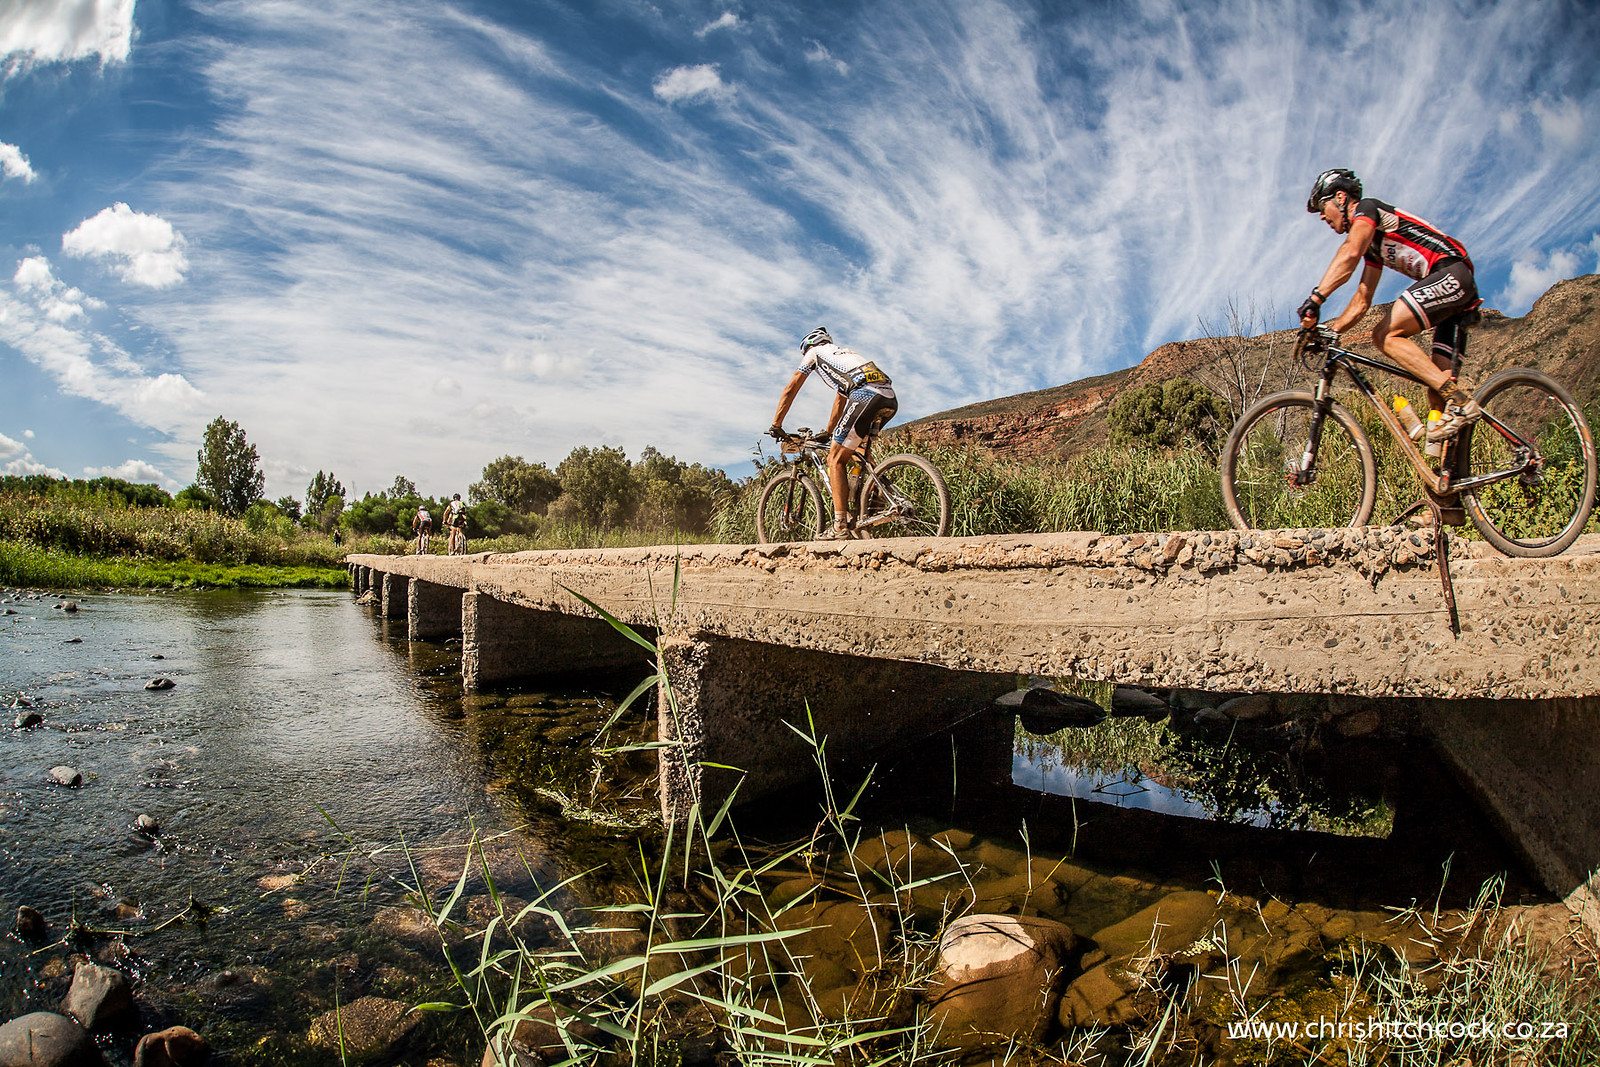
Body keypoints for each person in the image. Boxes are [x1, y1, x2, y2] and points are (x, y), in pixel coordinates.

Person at [1298, 168, 1482, 443]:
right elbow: (1362, 301)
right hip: (1455, 298)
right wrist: (1332, 330)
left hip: (1451, 272)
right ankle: (1448, 478)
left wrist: (1316, 298)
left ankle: (1462, 403)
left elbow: (1350, 253)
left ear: (1340, 197)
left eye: (1322, 208)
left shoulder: (1368, 209)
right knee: (1438, 393)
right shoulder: (1374, 248)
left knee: (1383, 335)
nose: (1322, 216)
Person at [768, 326, 898, 540]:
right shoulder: (846, 356)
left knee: (835, 460)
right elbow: (841, 400)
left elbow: (791, 388)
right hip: (888, 397)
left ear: (809, 346)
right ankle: (876, 495)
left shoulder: (815, 352)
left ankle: (840, 525)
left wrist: (776, 423)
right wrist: (828, 433)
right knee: (859, 451)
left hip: (865, 394)